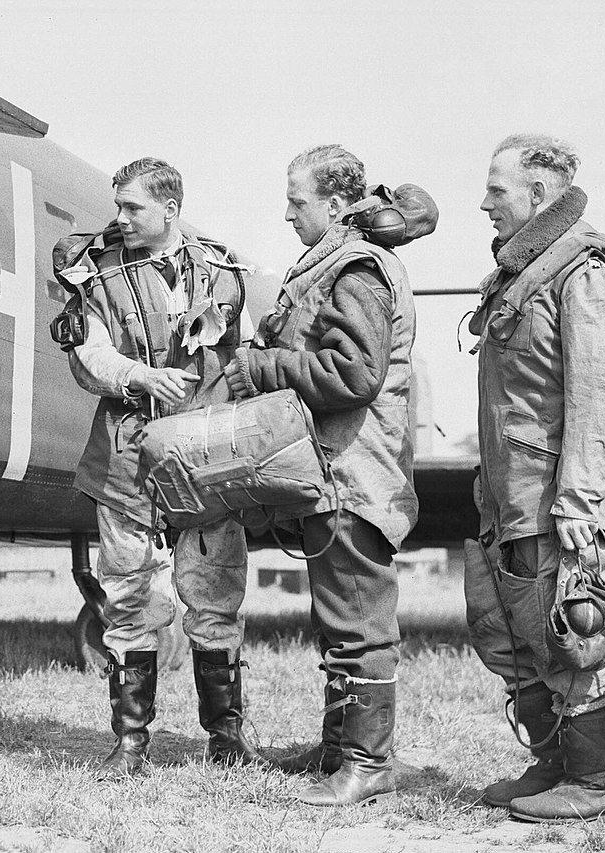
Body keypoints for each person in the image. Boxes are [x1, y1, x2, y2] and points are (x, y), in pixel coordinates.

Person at [464, 134, 605, 822]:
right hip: (513, 493)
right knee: (518, 635)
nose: (483, 202)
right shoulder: (526, 268)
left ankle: (595, 782)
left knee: (572, 631)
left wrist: (579, 498)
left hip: (559, 497)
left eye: (495, 189)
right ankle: (553, 764)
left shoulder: (582, 269)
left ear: (537, 194)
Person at [224, 145, 425, 806]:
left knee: (360, 621)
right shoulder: (336, 263)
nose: (286, 214)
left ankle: (368, 763)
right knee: (340, 619)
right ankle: (341, 748)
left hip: (354, 475)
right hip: (332, 472)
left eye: (296, 200)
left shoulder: (357, 269)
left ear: (336, 205)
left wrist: (260, 368)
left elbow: (352, 375)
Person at [60, 158, 262, 780]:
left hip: (205, 460)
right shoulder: (93, 272)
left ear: (170, 208)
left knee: (215, 596)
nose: (118, 219)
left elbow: (247, 354)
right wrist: (136, 374)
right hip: (126, 457)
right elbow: (86, 353)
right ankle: (130, 741)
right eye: (117, 206)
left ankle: (226, 736)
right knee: (127, 598)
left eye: (133, 208)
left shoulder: (224, 271)